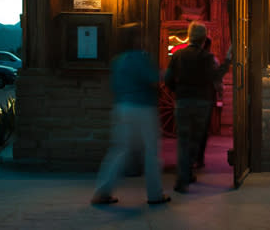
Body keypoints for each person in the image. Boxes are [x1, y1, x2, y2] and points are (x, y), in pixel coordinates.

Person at [91, 22, 171, 206]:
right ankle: (155, 194)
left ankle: (102, 191)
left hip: (121, 108)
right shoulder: (141, 57)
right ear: (135, 38)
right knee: (151, 152)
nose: (144, 39)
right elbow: (154, 78)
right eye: (140, 35)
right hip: (143, 108)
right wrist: (166, 71)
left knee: (120, 151)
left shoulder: (117, 60)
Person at [164, 21, 231, 193]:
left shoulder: (178, 55)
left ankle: (183, 176)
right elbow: (216, 76)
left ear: (189, 37)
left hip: (183, 101)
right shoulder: (207, 58)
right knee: (195, 140)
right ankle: (186, 174)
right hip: (202, 102)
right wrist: (228, 60)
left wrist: (178, 91)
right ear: (203, 39)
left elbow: (168, 80)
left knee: (183, 140)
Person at [195, 37, 224, 169]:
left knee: (192, 129)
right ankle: (199, 158)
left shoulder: (189, 57)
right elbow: (217, 79)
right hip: (206, 97)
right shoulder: (212, 59)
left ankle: (190, 159)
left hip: (192, 97)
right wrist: (220, 94)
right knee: (203, 130)